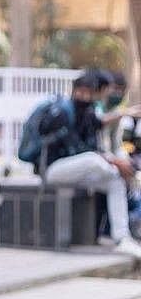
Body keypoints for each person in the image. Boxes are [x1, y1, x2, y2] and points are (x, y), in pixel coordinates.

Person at [39, 72, 141, 257]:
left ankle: (122, 238)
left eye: (89, 93)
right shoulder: (63, 111)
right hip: (54, 170)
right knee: (94, 160)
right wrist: (113, 162)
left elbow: (99, 129)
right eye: (82, 92)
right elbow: (77, 149)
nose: (85, 97)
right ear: (75, 90)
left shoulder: (88, 113)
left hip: (78, 171)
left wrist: (120, 166)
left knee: (115, 181)